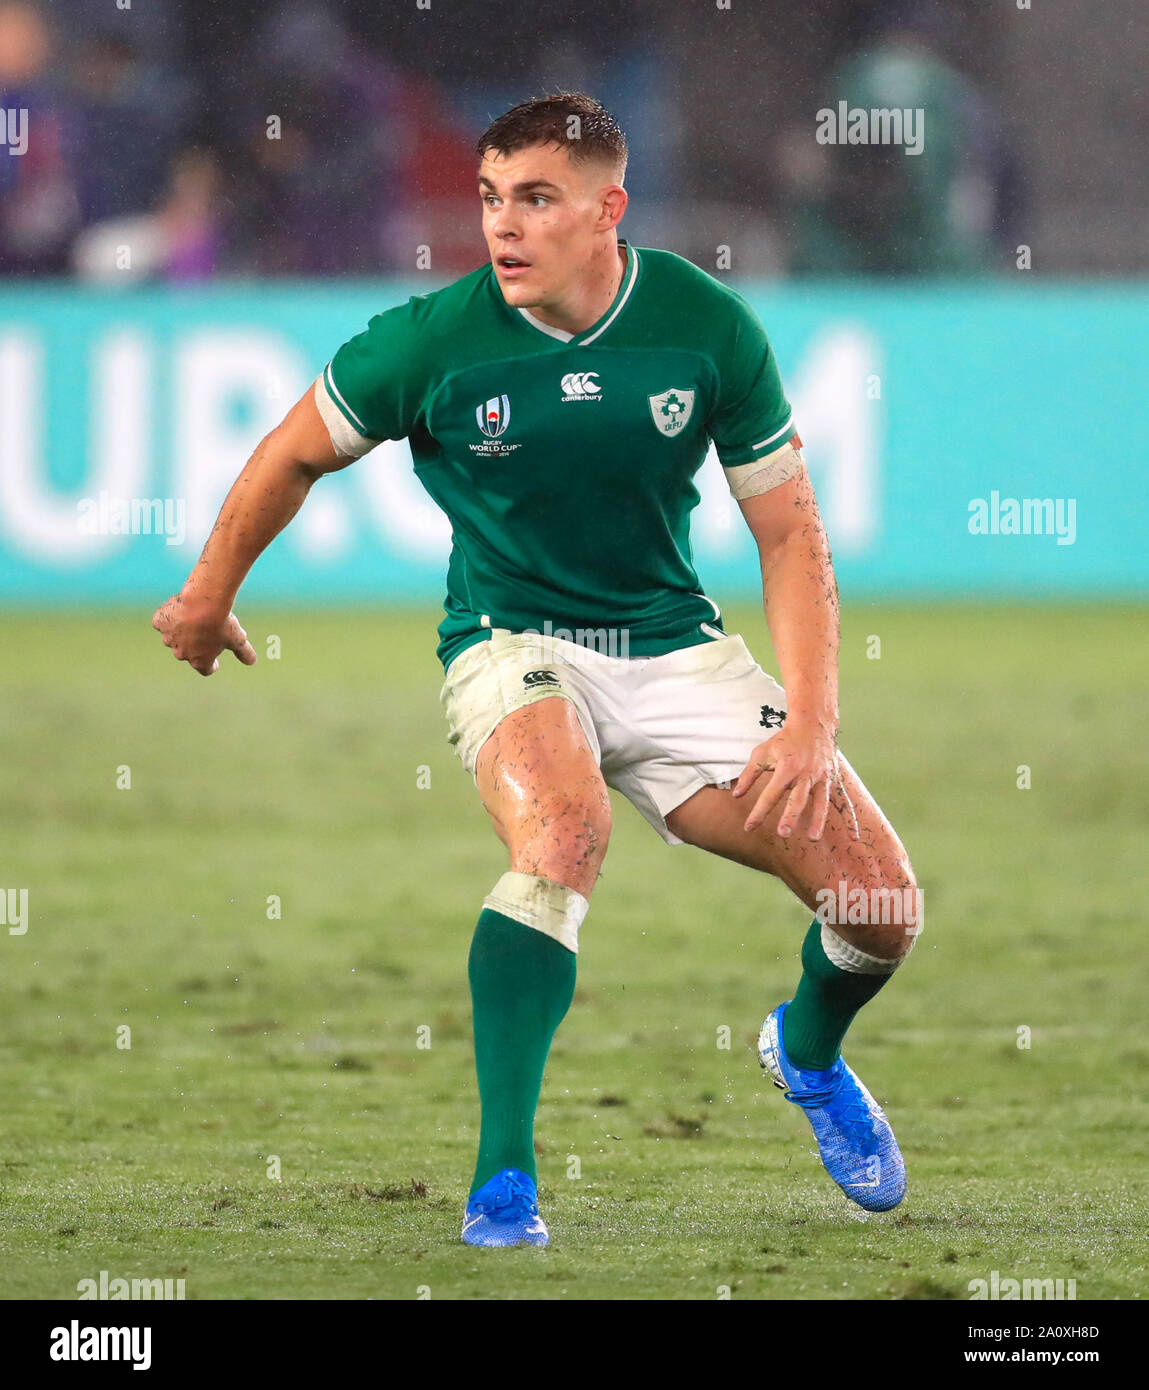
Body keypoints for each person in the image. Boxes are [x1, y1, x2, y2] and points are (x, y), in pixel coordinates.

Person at [152, 92, 920, 1248]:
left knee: (881, 910)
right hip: (512, 644)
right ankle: (502, 1183)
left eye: (537, 200)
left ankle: (806, 1055)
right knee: (562, 835)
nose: (503, 227)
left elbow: (788, 532)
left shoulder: (704, 326)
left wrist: (809, 718)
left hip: (676, 653)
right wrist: (210, 595)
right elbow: (293, 451)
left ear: (609, 208)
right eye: (490, 198)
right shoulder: (433, 339)